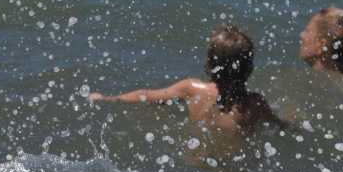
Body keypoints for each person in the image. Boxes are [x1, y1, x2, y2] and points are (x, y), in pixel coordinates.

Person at [88, 24, 283, 135]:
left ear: (210, 64)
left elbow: (145, 95)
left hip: (197, 158)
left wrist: (108, 98)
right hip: (234, 166)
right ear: (248, 68)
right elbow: (278, 126)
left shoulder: (192, 89)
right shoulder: (254, 103)